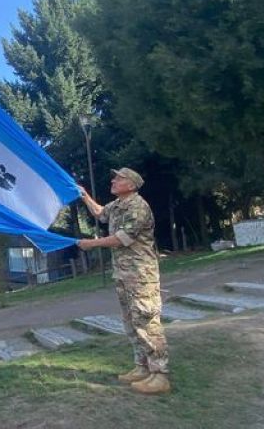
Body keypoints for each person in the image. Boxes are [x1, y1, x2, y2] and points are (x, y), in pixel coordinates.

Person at [77, 167, 171, 394]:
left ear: (131, 185)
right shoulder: (118, 206)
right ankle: (142, 367)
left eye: (119, 178)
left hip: (141, 275)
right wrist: (85, 196)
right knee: (131, 322)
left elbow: (122, 239)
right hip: (123, 274)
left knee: (147, 322)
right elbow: (100, 213)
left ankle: (160, 375)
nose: (113, 180)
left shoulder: (138, 207)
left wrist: (92, 244)